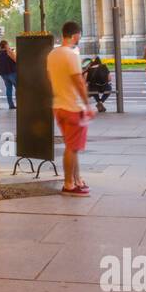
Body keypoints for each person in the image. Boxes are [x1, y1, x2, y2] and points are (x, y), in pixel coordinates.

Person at [45, 21, 93, 196]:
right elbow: (78, 82)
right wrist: (87, 105)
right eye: (79, 34)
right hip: (73, 107)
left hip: (59, 106)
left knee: (72, 145)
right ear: (75, 35)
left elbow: (51, 79)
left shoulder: (52, 55)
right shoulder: (71, 54)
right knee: (72, 147)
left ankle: (76, 180)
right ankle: (69, 184)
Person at [0, 39, 18, 109]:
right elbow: (16, 59)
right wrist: (12, 51)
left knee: (8, 89)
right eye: (7, 44)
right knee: (18, 88)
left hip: (3, 74)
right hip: (11, 72)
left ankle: (11, 105)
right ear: (5, 45)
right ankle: (20, 103)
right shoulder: (8, 51)